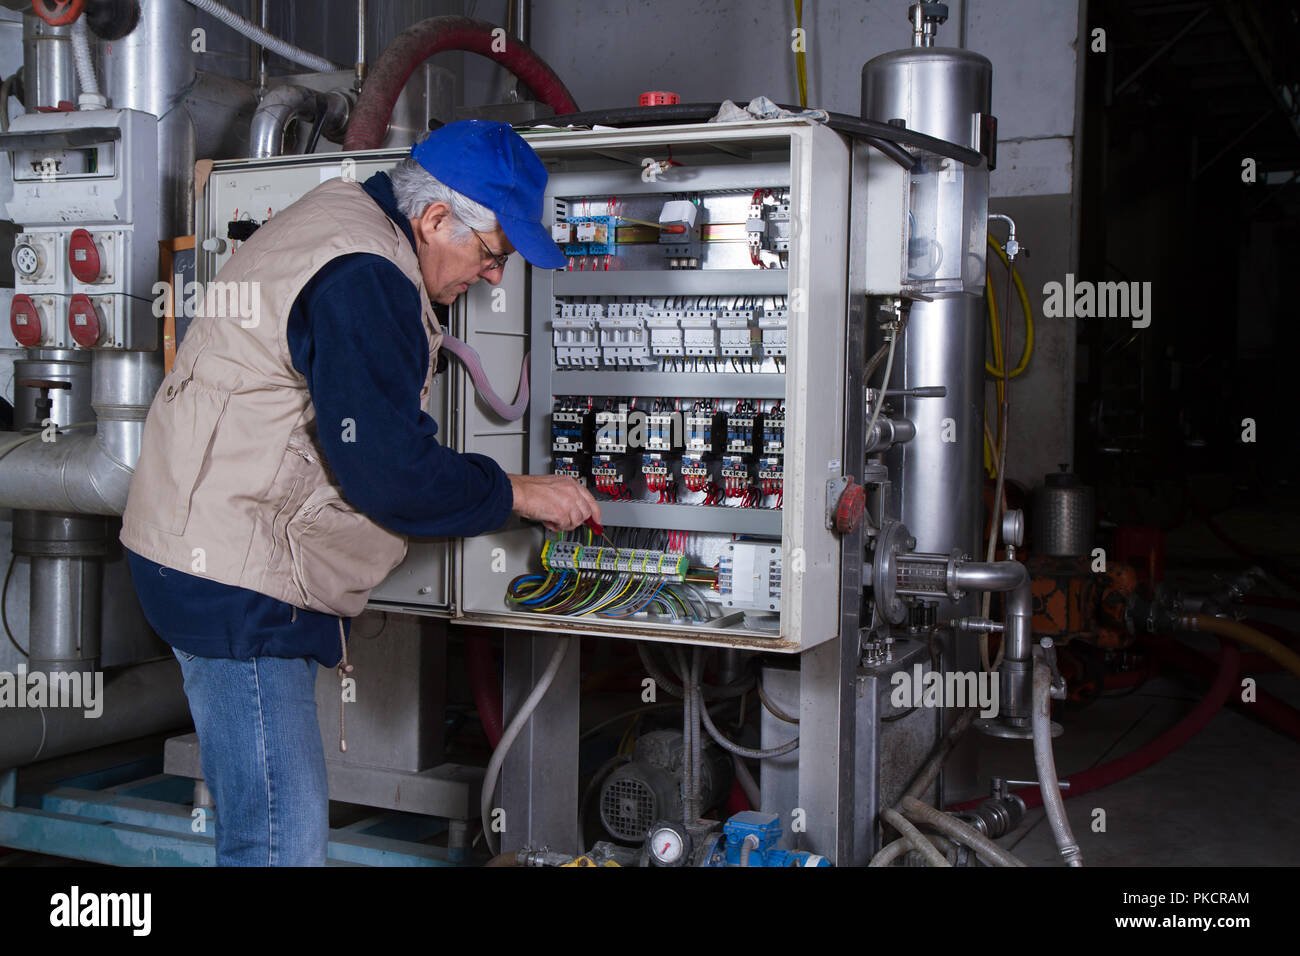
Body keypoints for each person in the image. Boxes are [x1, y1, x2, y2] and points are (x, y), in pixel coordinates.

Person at [119, 120, 599, 866]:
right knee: (276, 844)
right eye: (492, 252)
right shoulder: (366, 277)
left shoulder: (345, 216)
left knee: (267, 828)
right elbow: (391, 477)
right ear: (435, 218)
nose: (495, 276)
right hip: (232, 578)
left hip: (201, 548)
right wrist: (515, 494)